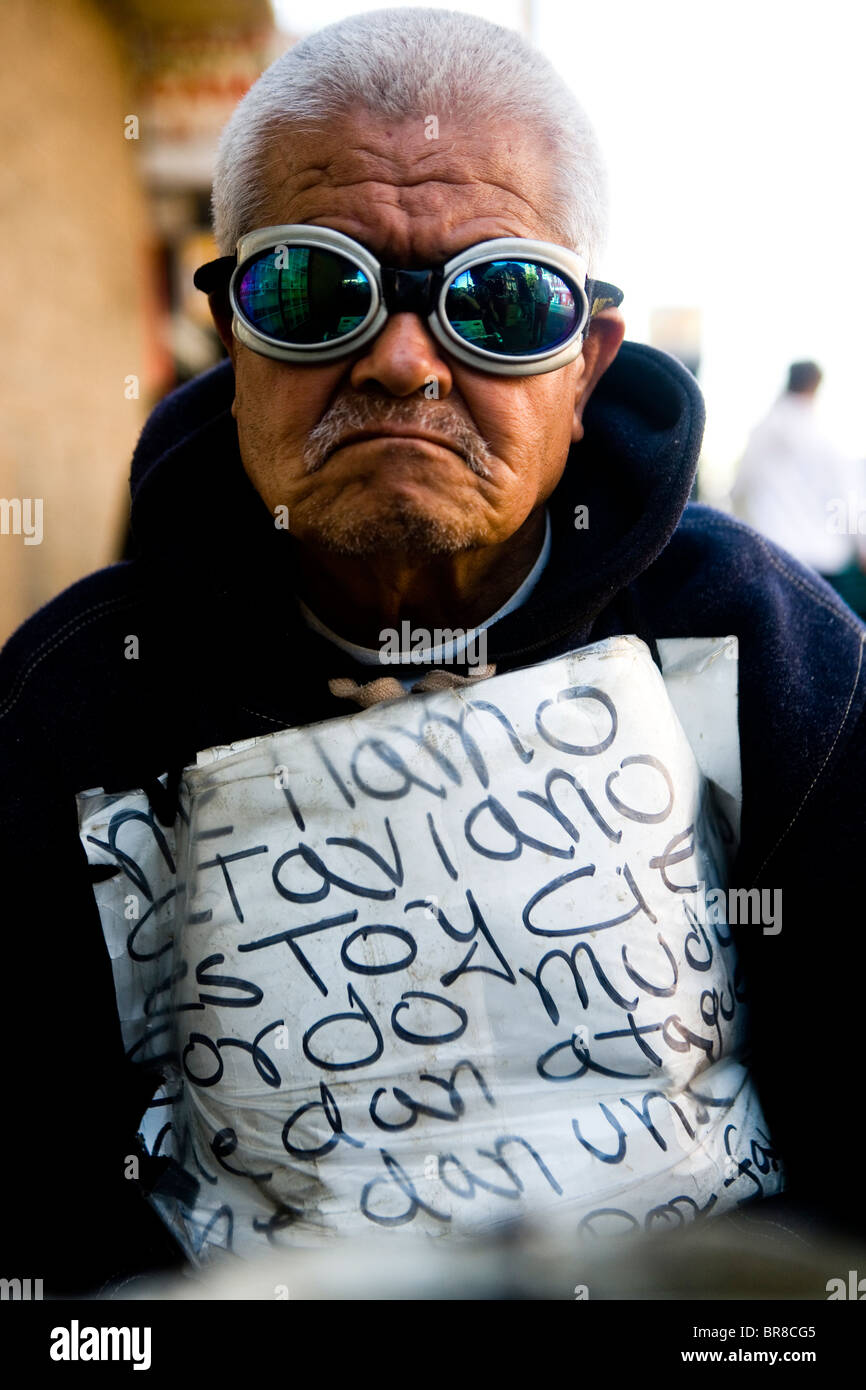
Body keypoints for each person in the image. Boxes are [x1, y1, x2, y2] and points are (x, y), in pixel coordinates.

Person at [2, 8, 865, 1297]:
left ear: (586, 365)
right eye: (311, 288)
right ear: (230, 337)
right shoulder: (74, 699)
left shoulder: (769, 650)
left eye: (498, 304)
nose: (403, 363)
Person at [732, 360, 866, 615]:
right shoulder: (826, 435)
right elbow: (849, 497)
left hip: (773, 554)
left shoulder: (760, 432)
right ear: (816, 386)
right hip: (824, 561)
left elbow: (739, 490)